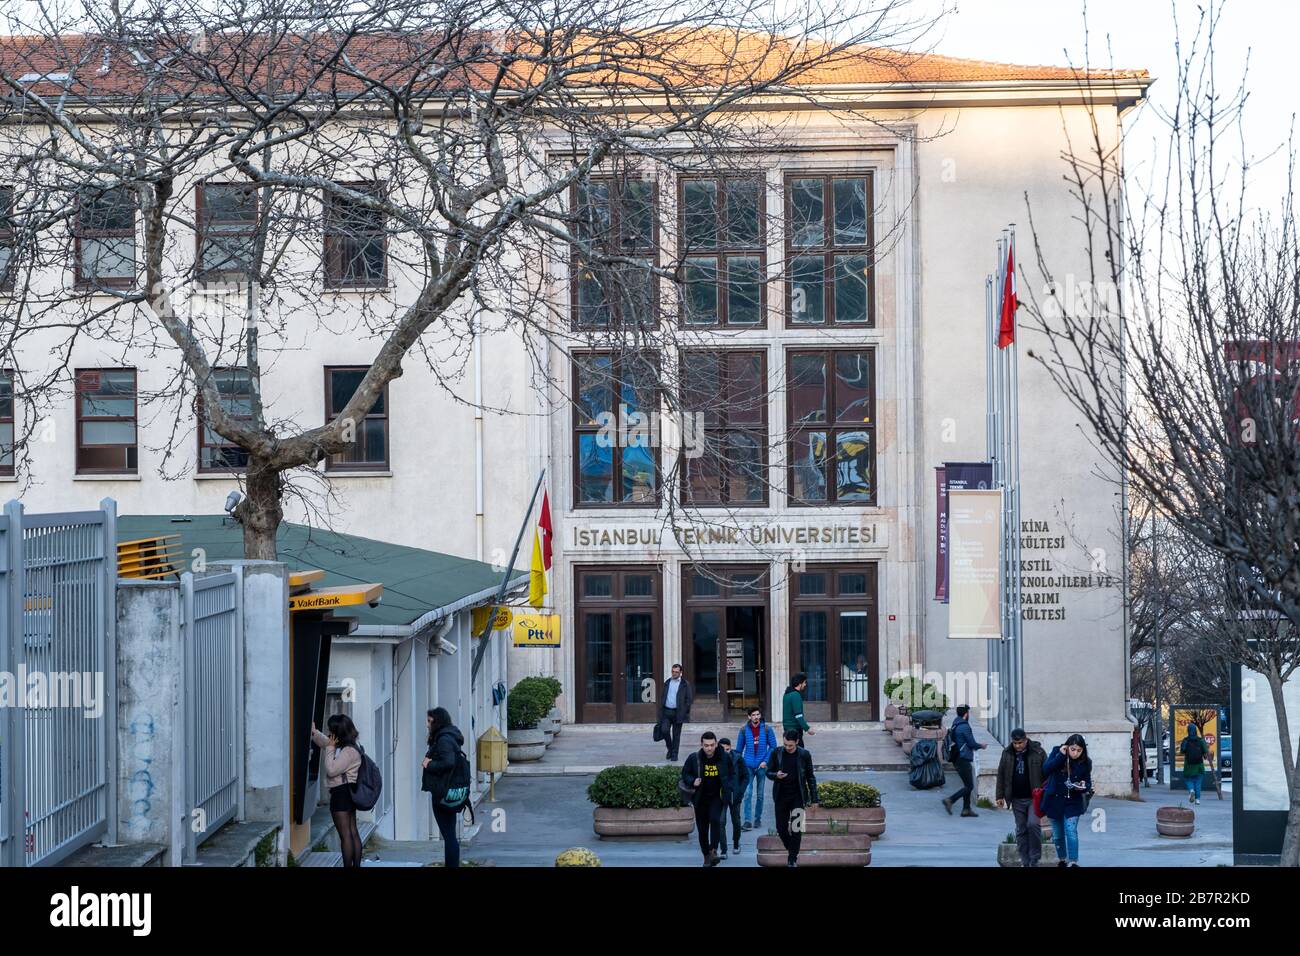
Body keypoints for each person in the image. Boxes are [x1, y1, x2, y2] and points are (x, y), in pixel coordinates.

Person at [310, 713, 363, 868]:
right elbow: (327, 743)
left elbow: (332, 769)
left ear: (338, 733)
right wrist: (315, 733)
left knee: (346, 835)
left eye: (331, 730)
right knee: (352, 831)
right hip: (349, 791)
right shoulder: (350, 746)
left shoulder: (347, 751)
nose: (330, 733)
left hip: (342, 793)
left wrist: (331, 749)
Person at [681, 731, 735, 866]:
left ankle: (713, 850)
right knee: (703, 829)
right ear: (702, 745)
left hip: (717, 797)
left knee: (716, 820)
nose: (709, 748)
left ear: (716, 744)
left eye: (711, 745)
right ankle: (706, 856)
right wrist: (693, 781)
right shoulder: (695, 758)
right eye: (706, 745)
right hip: (700, 799)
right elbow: (685, 773)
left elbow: (732, 774)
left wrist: (729, 788)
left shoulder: (724, 757)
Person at [421, 706, 465, 868]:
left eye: (429, 721)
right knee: (450, 835)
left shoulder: (444, 739)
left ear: (437, 721)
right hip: (447, 790)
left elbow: (448, 762)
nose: (427, 724)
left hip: (443, 792)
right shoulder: (448, 736)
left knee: (449, 836)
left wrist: (429, 764)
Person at [766, 729, 818, 867]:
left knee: (797, 828)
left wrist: (814, 799)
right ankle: (793, 851)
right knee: (781, 828)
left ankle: (792, 859)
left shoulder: (804, 754)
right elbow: (768, 772)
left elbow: (810, 777)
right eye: (785, 745)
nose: (787, 748)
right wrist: (775, 775)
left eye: (790, 745)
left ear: (797, 742)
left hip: (798, 797)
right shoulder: (776, 753)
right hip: (781, 796)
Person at [1041, 733, 1093, 867]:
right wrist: (1061, 755)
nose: (1075, 753)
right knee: (1058, 834)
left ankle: (1074, 861)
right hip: (1055, 800)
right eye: (1073, 749)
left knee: (1071, 831)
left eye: (1079, 750)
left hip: (1073, 801)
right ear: (1067, 746)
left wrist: (1082, 786)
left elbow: (1087, 783)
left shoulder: (1086, 762)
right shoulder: (1056, 752)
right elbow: (1046, 769)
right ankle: (1062, 859)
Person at [995, 728, 1046, 867]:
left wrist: (1046, 794)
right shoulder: (1007, 753)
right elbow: (1001, 774)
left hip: (1034, 798)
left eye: (1020, 743)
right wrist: (999, 796)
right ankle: (1025, 861)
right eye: (1015, 743)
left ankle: (1034, 857)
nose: (1017, 746)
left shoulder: (1038, 752)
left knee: (1033, 824)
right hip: (1016, 799)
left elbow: (1047, 773)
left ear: (1026, 739)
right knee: (1021, 829)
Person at [736, 706, 778, 830]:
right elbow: (738, 750)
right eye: (753, 715)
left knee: (760, 794)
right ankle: (748, 820)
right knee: (748, 793)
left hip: (761, 766)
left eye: (758, 714)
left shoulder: (766, 729)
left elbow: (773, 747)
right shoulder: (744, 730)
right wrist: (740, 764)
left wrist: (765, 761)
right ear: (749, 717)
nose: (756, 717)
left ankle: (757, 819)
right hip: (747, 766)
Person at [941, 704, 987, 817]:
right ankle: (950, 800)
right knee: (969, 786)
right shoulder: (964, 727)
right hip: (963, 759)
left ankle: (966, 809)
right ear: (966, 714)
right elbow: (971, 743)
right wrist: (981, 745)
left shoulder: (955, 724)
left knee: (967, 784)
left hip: (957, 758)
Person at [716, 738, 750, 859]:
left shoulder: (738, 758)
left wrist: (740, 791)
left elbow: (746, 776)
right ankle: (724, 849)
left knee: (736, 821)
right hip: (721, 796)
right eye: (722, 749)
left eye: (727, 749)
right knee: (721, 822)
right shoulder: (716, 760)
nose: (725, 752)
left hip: (735, 795)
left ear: (731, 747)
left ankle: (736, 844)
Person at [659, 664, 693, 762]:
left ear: (680, 673)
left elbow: (689, 699)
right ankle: (670, 749)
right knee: (664, 731)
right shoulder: (667, 682)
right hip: (667, 712)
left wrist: (684, 711)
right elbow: (663, 696)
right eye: (673, 671)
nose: (674, 673)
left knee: (676, 735)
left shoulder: (685, 684)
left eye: (676, 672)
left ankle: (674, 754)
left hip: (678, 713)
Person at [782, 673, 815, 747]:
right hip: (795, 729)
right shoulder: (795, 695)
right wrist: (807, 729)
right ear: (800, 683)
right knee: (799, 753)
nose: (805, 685)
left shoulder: (787, 694)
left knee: (790, 751)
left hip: (787, 728)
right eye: (804, 682)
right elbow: (798, 715)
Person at [1179, 724, 1207, 805]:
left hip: (1189, 765)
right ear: (1195, 730)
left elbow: (1182, 751)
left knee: (1188, 780)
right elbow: (1205, 752)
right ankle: (1198, 800)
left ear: (1188, 730)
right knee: (1198, 783)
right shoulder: (1200, 740)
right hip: (1199, 766)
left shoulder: (1185, 740)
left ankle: (1191, 790)